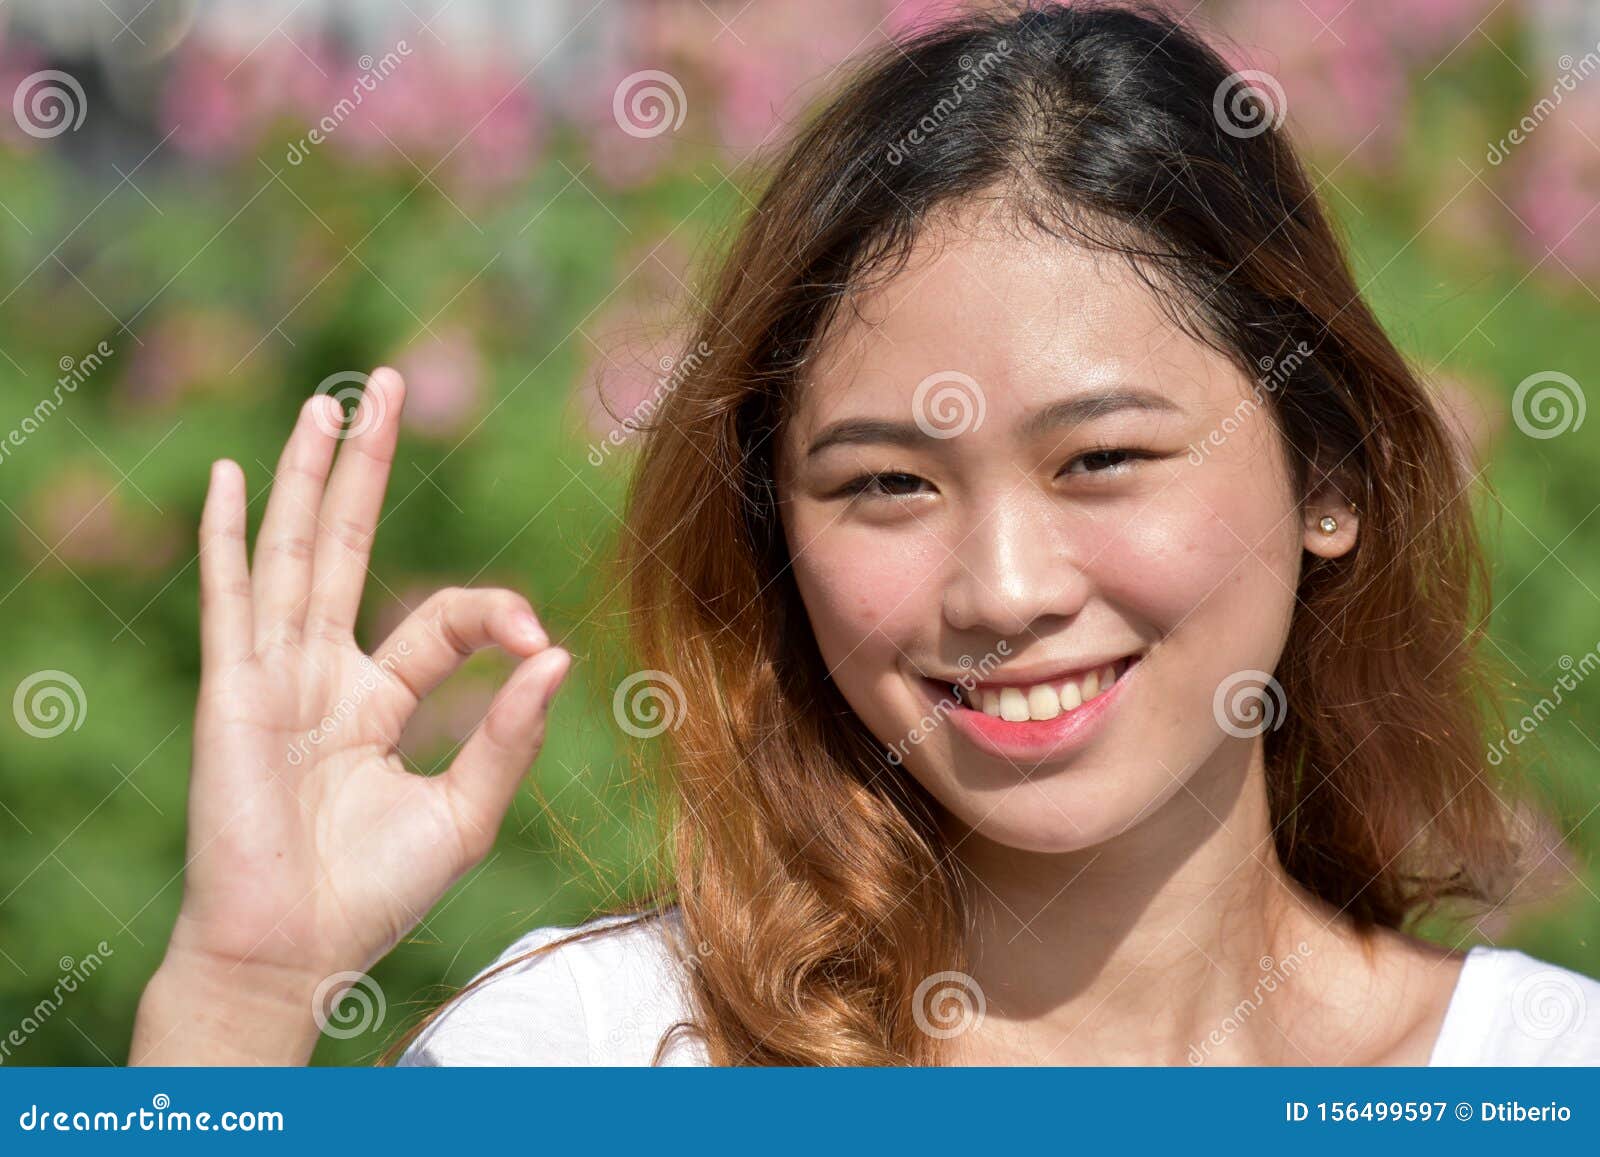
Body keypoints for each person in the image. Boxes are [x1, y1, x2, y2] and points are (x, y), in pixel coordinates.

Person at [129, 1, 1600, 1067]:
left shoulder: (1540, 1074)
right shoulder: (593, 1055)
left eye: (1102, 457)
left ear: (1327, 468)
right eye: (888, 484)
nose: (1005, 589)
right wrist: (238, 1001)